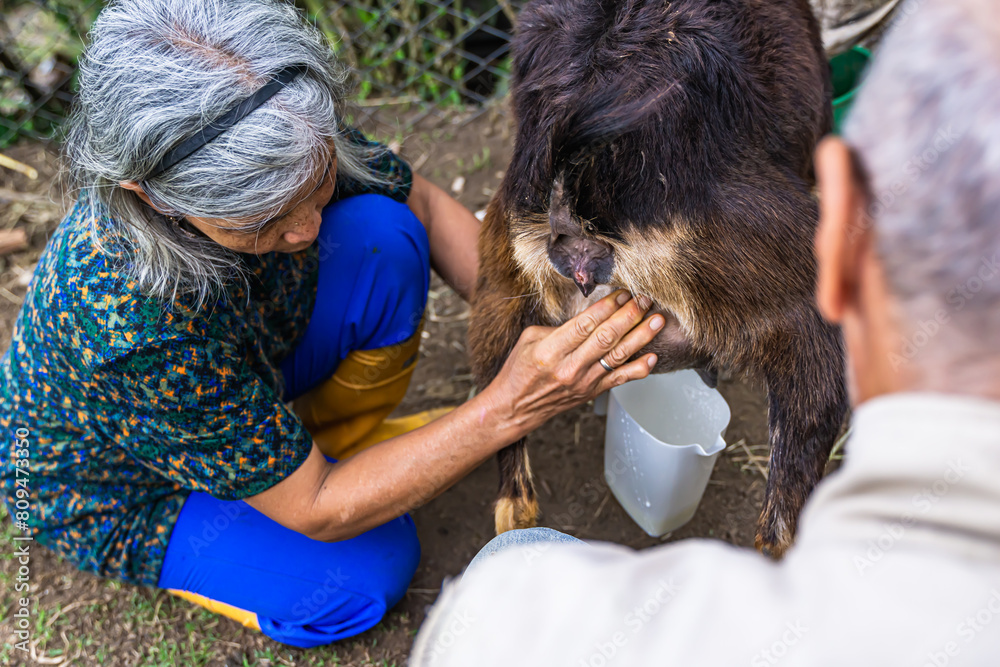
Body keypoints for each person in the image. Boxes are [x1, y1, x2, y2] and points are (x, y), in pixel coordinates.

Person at [0, 0, 665, 648]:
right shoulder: (135, 324)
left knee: (384, 235)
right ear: (152, 197)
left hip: (232, 364)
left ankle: (313, 449)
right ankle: (266, 496)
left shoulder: (270, 107)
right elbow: (318, 507)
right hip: (124, 483)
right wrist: (507, 406)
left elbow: (427, 208)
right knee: (365, 569)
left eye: (313, 187)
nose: (306, 229)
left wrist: (552, 320)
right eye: (261, 219)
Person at [411, 0, 1000, 664]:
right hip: (690, 233)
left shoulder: (509, 618)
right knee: (807, 341)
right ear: (845, 239)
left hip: (543, 223)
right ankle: (781, 535)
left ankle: (511, 495)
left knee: (511, 557)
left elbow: (475, 624)